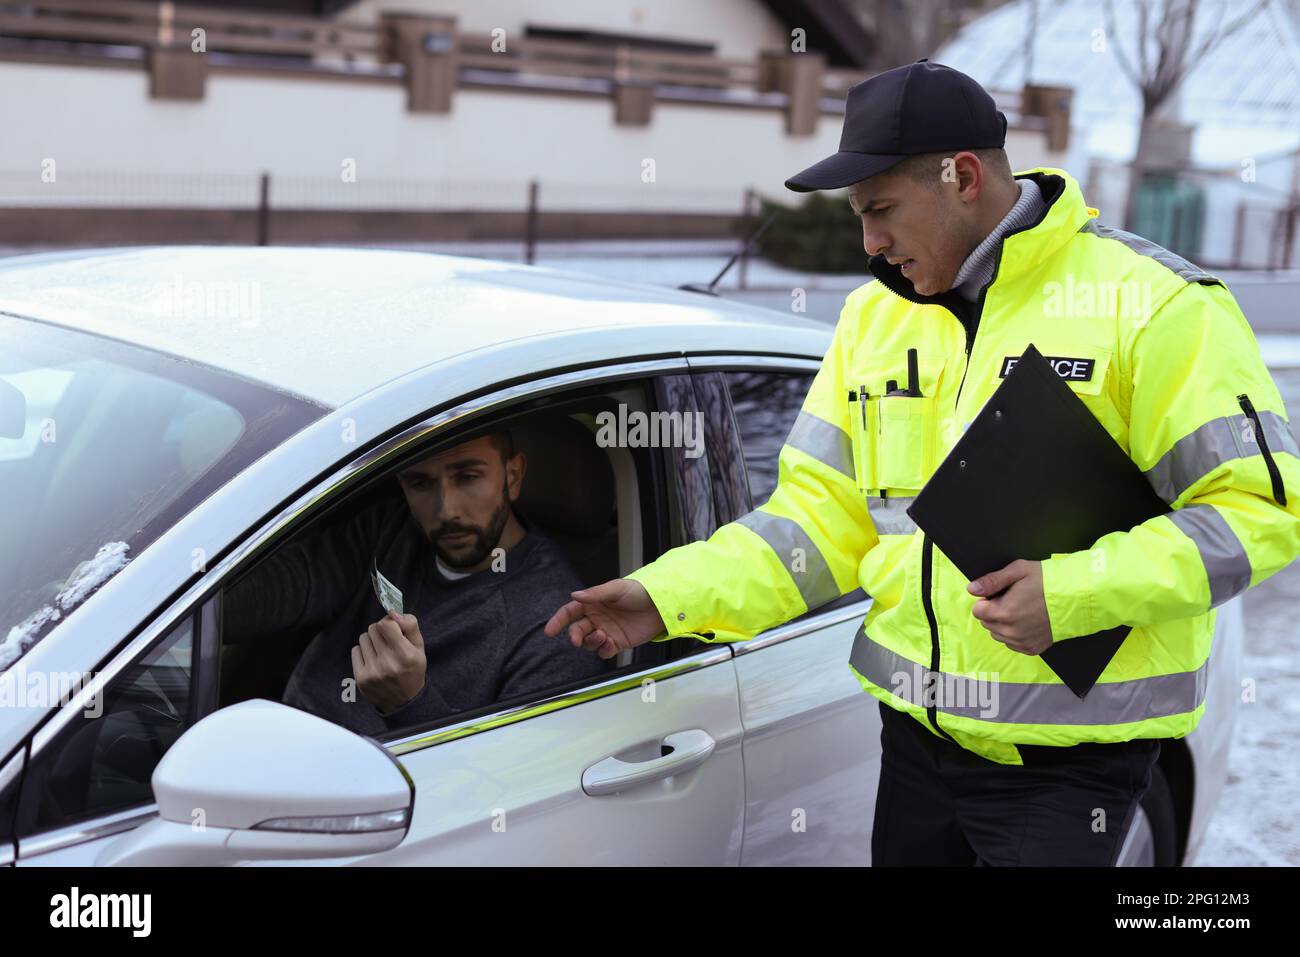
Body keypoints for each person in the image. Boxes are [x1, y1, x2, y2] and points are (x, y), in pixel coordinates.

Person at [545, 60, 1300, 865]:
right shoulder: (872, 318)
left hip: (1068, 772)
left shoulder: (1155, 305)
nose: (868, 242)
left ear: (962, 176)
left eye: (880, 211)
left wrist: (1073, 594)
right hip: (912, 753)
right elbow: (814, 524)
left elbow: (1261, 510)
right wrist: (664, 595)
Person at [225, 429, 607, 736]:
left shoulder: (556, 624)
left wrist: (409, 701)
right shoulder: (390, 531)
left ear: (512, 476)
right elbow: (288, 586)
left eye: (468, 477)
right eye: (420, 483)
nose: (447, 510)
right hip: (278, 745)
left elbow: (509, 790)